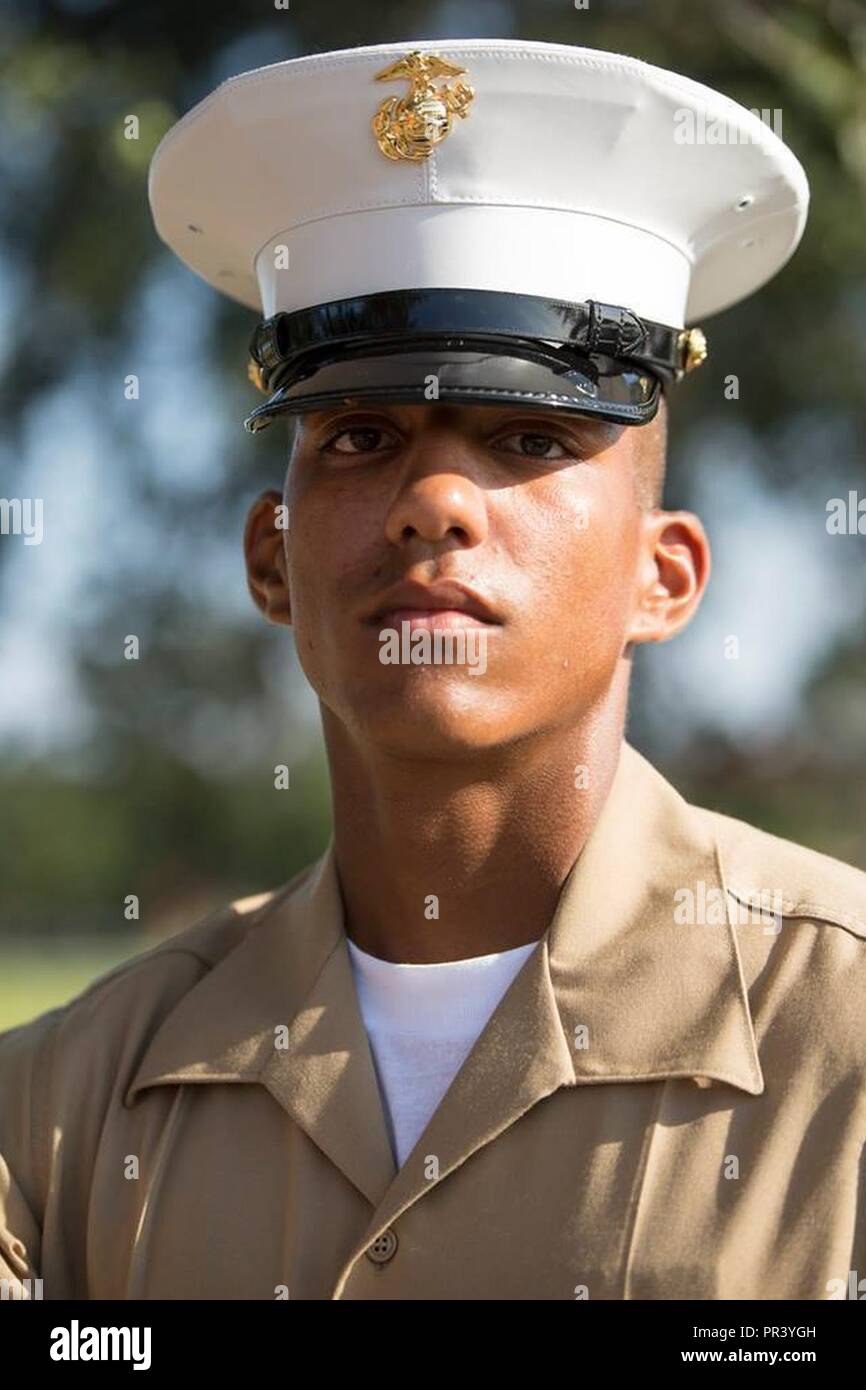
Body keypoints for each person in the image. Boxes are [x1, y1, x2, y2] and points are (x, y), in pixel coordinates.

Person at [1, 37, 864, 1302]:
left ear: (662, 576)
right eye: (358, 435)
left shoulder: (839, 1034)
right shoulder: (54, 1114)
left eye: (529, 434)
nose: (435, 502)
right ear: (272, 556)